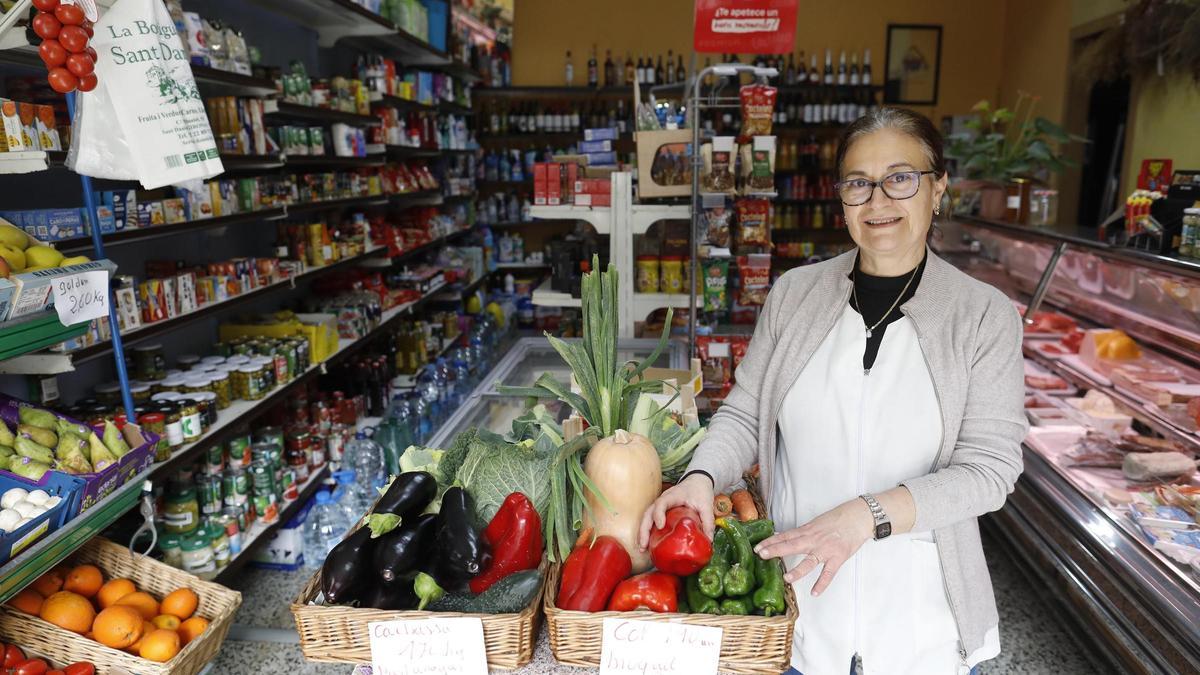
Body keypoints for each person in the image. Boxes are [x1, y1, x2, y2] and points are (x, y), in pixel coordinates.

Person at [638, 107, 1027, 675]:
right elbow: (746, 412)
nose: (878, 201)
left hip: (921, 623)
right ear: (840, 197)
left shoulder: (981, 315)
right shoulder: (795, 294)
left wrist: (865, 517)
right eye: (858, 183)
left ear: (937, 188)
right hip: (798, 611)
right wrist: (701, 478)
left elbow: (990, 470)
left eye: (900, 178)